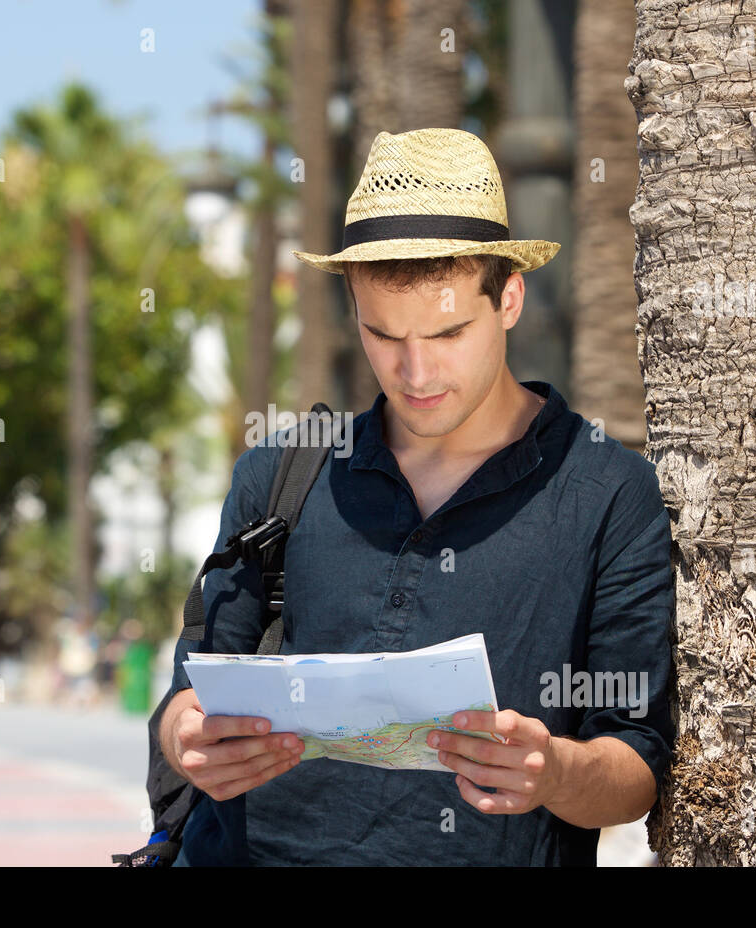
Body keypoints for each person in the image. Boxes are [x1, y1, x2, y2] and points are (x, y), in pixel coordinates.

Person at [157, 128, 676, 866]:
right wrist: (190, 741)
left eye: (448, 331)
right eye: (383, 334)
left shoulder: (607, 492)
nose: (416, 371)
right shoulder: (282, 473)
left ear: (510, 298)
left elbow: (636, 767)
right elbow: (188, 693)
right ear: (352, 309)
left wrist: (553, 771)